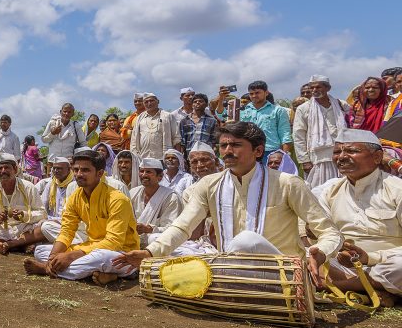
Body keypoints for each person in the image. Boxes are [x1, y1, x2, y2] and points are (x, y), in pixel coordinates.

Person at [114, 122, 342, 285]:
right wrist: (150, 252)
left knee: (246, 240)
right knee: (173, 264)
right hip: (231, 270)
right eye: (223, 146)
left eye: (235, 145)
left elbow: (330, 232)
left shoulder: (287, 183)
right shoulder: (209, 184)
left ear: (258, 151)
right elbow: (183, 226)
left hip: (281, 273)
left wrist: (320, 253)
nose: (227, 151)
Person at [25, 150, 139, 285]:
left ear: (100, 173)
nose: (79, 174)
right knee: (41, 251)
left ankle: (46, 269)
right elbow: (66, 231)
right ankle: (107, 274)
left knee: (100, 257)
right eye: (76, 170)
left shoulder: (117, 199)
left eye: (85, 170)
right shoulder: (76, 197)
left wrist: (71, 256)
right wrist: (53, 257)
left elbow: (113, 242)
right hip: (91, 247)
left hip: (121, 253)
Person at [316, 130, 402, 305]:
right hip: (341, 265)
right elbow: (323, 233)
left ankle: (336, 286)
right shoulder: (330, 191)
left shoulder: (396, 189)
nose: (341, 157)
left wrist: (369, 257)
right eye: (337, 152)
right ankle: (373, 288)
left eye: (352, 151)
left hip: (384, 266)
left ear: (377, 157)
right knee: (299, 254)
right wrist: (332, 248)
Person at [130, 158, 182, 249]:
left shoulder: (171, 197)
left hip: (155, 242)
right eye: (142, 171)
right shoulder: (133, 193)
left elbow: (172, 228)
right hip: (132, 239)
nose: (144, 175)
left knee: (154, 238)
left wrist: (149, 229)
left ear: (160, 176)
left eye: (148, 172)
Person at [239, 81, 292, 161]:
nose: (254, 96)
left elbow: (285, 133)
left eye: (257, 93)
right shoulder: (242, 111)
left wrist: (285, 156)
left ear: (266, 93)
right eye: (251, 94)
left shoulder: (278, 110)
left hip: (271, 152)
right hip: (248, 151)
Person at [29, 156, 74, 245]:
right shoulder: (51, 183)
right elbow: (43, 205)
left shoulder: (74, 185)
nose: (56, 171)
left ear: (69, 169)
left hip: (67, 223)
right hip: (50, 220)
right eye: (54, 168)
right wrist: (43, 218)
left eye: (60, 168)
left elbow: (71, 214)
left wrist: (51, 220)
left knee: (45, 227)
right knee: (31, 222)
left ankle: (18, 244)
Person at [130, 92, 180, 160]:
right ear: (144, 104)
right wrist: (135, 157)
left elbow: (176, 138)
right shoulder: (139, 118)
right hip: (143, 158)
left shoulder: (167, 116)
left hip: (164, 158)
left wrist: (178, 157)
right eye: (146, 102)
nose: (149, 103)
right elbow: (133, 140)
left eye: (151, 101)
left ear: (158, 101)